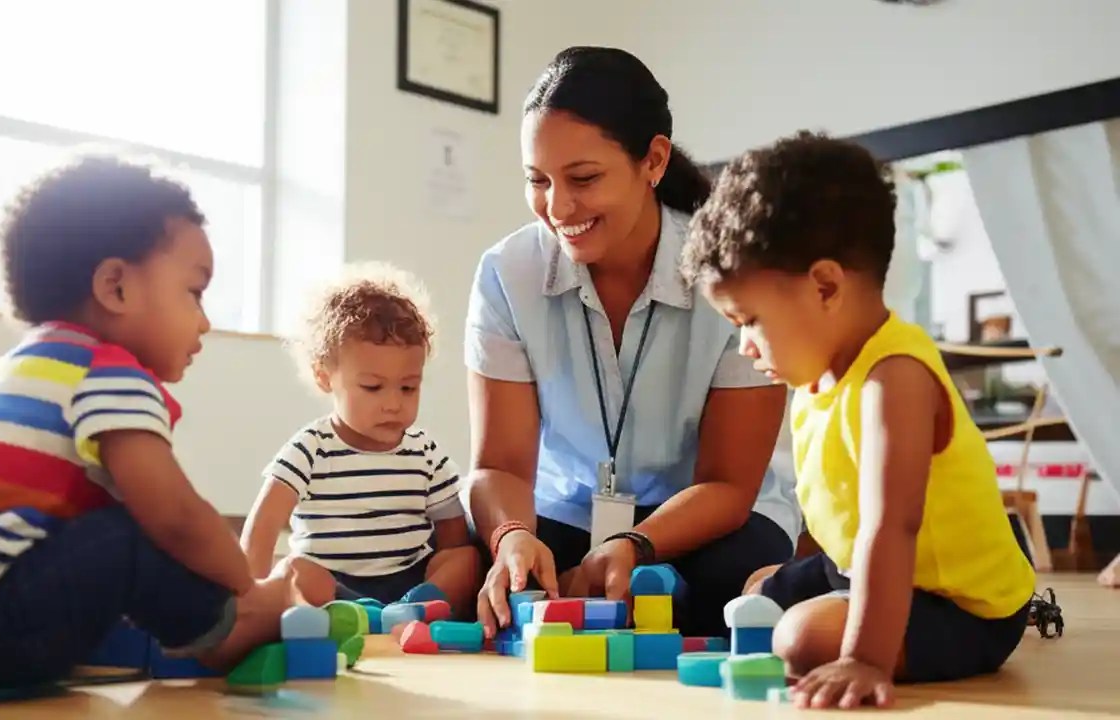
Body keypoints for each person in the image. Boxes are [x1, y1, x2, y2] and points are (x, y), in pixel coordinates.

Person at [0, 157, 323, 688]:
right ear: (115, 287)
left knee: (106, 529)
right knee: (124, 533)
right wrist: (244, 583)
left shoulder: (28, 368)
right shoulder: (105, 370)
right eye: (194, 292)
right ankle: (233, 627)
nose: (205, 321)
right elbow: (175, 516)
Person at [683, 131, 1036, 710]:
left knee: (798, 636)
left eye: (749, 321)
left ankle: (860, 637)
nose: (744, 345)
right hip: (857, 568)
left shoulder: (893, 377)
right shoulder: (819, 370)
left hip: (961, 605)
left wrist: (864, 659)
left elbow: (889, 527)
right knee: (753, 590)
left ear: (825, 286)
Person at [464, 46, 801, 640]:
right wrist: (511, 536)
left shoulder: (732, 272)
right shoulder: (506, 273)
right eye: (537, 181)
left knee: (715, 594)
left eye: (584, 178)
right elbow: (498, 466)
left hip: (710, 516)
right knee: (480, 572)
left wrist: (632, 545)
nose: (558, 208)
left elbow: (727, 484)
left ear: (654, 160)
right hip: (567, 511)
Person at [241, 264, 481, 612]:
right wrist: (249, 599)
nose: (393, 404)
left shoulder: (425, 453)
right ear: (325, 378)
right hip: (335, 584)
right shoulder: (310, 448)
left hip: (409, 582)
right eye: (373, 387)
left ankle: (410, 611)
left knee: (466, 560)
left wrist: (447, 582)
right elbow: (262, 527)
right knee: (294, 571)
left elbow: (452, 533)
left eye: (408, 387)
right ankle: (363, 615)